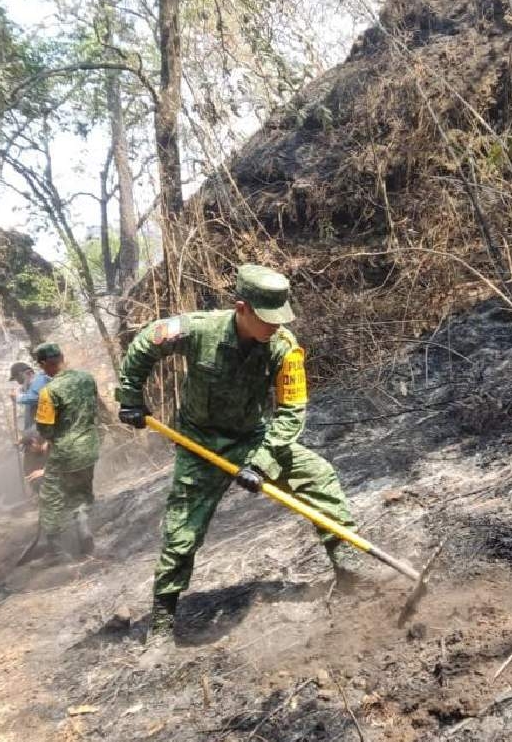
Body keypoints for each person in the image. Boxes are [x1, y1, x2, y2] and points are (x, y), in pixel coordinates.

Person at [116, 264, 359, 644]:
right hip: (200, 443)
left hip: (253, 438)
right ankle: (161, 626)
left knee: (318, 476)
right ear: (241, 308)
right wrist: (130, 396)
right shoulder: (199, 329)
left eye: (281, 318)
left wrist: (260, 463)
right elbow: (148, 340)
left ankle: (350, 567)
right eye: (267, 319)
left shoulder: (284, 348)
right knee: (182, 533)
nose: (275, 327)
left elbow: (292, 412)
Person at [31, 342, 101, 561]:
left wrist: (44, 443)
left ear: (43, 364)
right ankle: (84, 537)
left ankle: (56, 552)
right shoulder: (87, 378)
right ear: (62, 356)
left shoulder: (49, 392)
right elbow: (93, 409)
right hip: (89, 446)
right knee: (80, 493)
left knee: (50, 498)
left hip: (66, 452)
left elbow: (45, 429)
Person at [10, 361, 50, 490]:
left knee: (39, 473)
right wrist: (24, 437)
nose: (18, 382)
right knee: (30, 471)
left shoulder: (40, 380)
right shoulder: (28, 388)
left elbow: (36, 397)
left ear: (28, 373)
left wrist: (18, 397)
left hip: (44, 437)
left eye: (18, 378)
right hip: (34, 437)